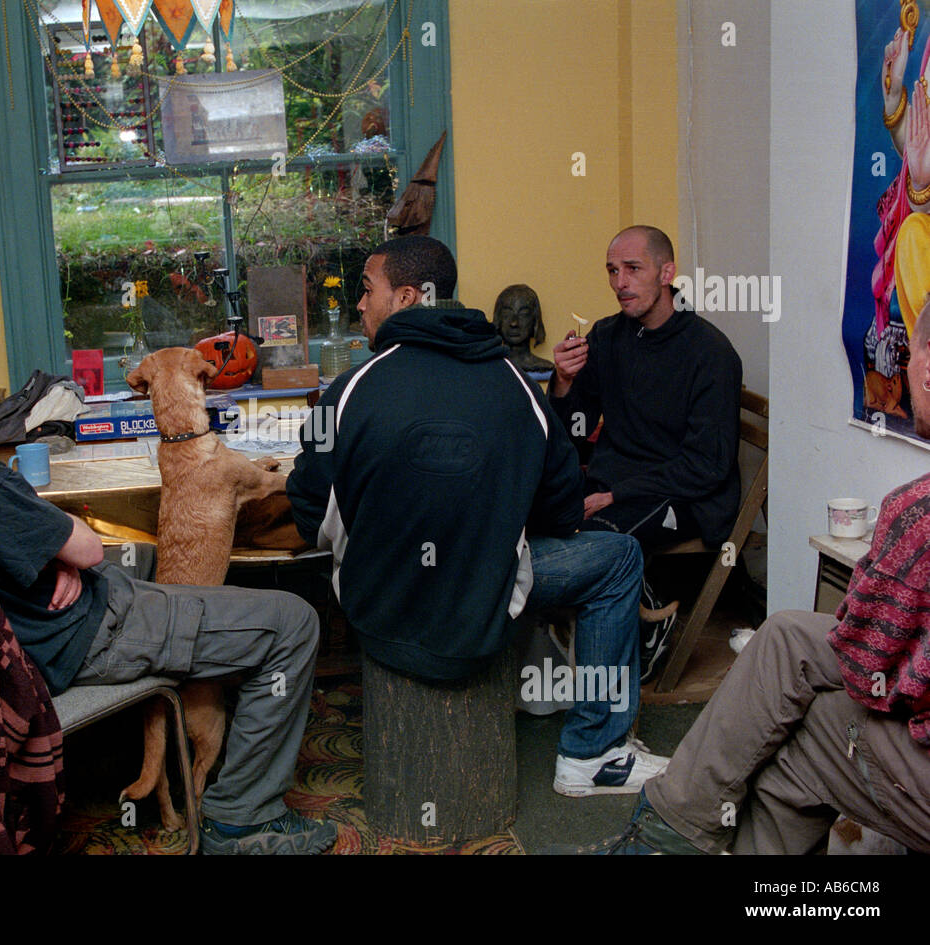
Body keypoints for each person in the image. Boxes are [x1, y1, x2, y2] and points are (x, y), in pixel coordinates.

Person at [0, 279, 335, 855]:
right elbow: (86, 547)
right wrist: (66, 554)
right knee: (293, 621)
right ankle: (240, 819)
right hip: (81, 637)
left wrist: (48, 557)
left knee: (138, 561)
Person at [287, 236, 669, 796]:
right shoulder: (518, 386)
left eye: (368, 291)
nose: (360, 306)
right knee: (619, 559)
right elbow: (564, 510)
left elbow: (307, 507)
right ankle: (593, 753)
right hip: (487, 603)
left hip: (377, 609)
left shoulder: (349, 390)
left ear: (408, 297)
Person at [580, 302, 930, 856]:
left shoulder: (920, 511)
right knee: (786, 634)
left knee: (793, 740)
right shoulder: (611, 340)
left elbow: (867, 671)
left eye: (911, 352)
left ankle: (665, 835)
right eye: (611, 271)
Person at [550, 225, 742, 680]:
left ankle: (634, 641)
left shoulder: (710, 353)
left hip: (688, 493)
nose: (620, 282)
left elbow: (707, 466)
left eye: (633, 269)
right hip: (619, 482)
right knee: (540, 512)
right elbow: (573, 434)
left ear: (667, 273)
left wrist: (617, 495)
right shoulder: (609, 336)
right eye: (613, 270)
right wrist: (562, 382)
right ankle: (643, 611)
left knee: (593, 543)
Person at [493, 283, 552, 375]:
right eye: (507, 314)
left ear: (535, 319)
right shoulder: (489, 366)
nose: (514, 323)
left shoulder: (545, 367)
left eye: (523, 314)